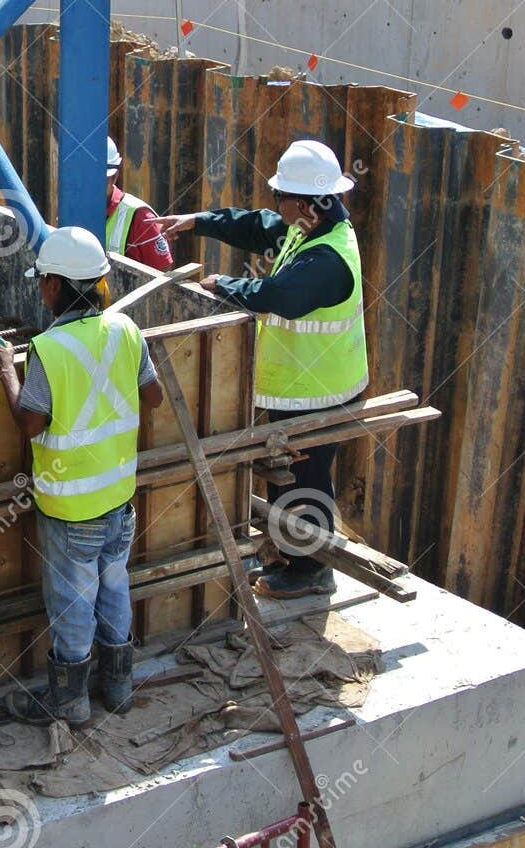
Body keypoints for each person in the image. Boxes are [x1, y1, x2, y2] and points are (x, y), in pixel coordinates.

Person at [157, 139, 369, 599]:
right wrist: (199, 221)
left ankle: (310, 571)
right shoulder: (310, 227)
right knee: (286, 472)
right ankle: (288, 554)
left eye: (280, 195)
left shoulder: (328, 259)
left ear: (304, 202)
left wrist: (223, 285)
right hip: (302, 385)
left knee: (305, 480)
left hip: (319, 392)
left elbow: (279, 296)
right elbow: (259, 226)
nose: (276, 203)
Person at [0, 227, 163, 726]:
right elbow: (155, 396)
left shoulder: (48, 348)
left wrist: (6, 370)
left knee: (73, 602)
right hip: (119, 497)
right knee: (114, 588)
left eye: (42, 281)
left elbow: (30, 423)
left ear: (55, 285)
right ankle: (119, 689)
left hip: (72, 507)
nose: (40, 289)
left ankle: (71, 703)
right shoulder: (127, 330)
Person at [103, 136, 174, 271]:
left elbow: (162, 275)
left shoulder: (141, 218)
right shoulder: (69, 211)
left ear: (115, 176)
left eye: (100, 180)